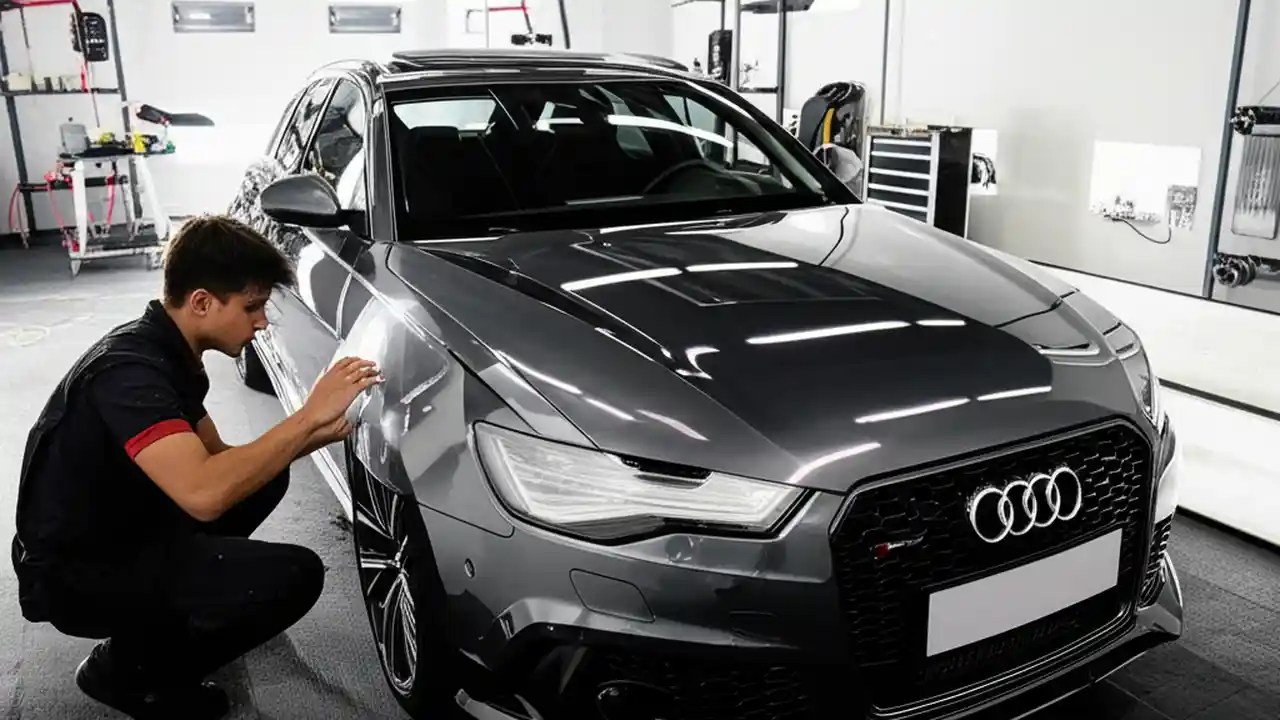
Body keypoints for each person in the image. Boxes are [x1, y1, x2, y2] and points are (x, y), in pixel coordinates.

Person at [10, 215, 383, 720]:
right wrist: (305, 416)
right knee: (295, 575)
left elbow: (223, 462)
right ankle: (126, 670)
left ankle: (170, 611)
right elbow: (205, 494)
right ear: (203, 302)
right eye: (252, 307)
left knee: (266, 475)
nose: (262, 322)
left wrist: (313, 433)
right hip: (76, 572)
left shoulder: (165, 349)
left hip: (119, 528)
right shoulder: (131, 375)